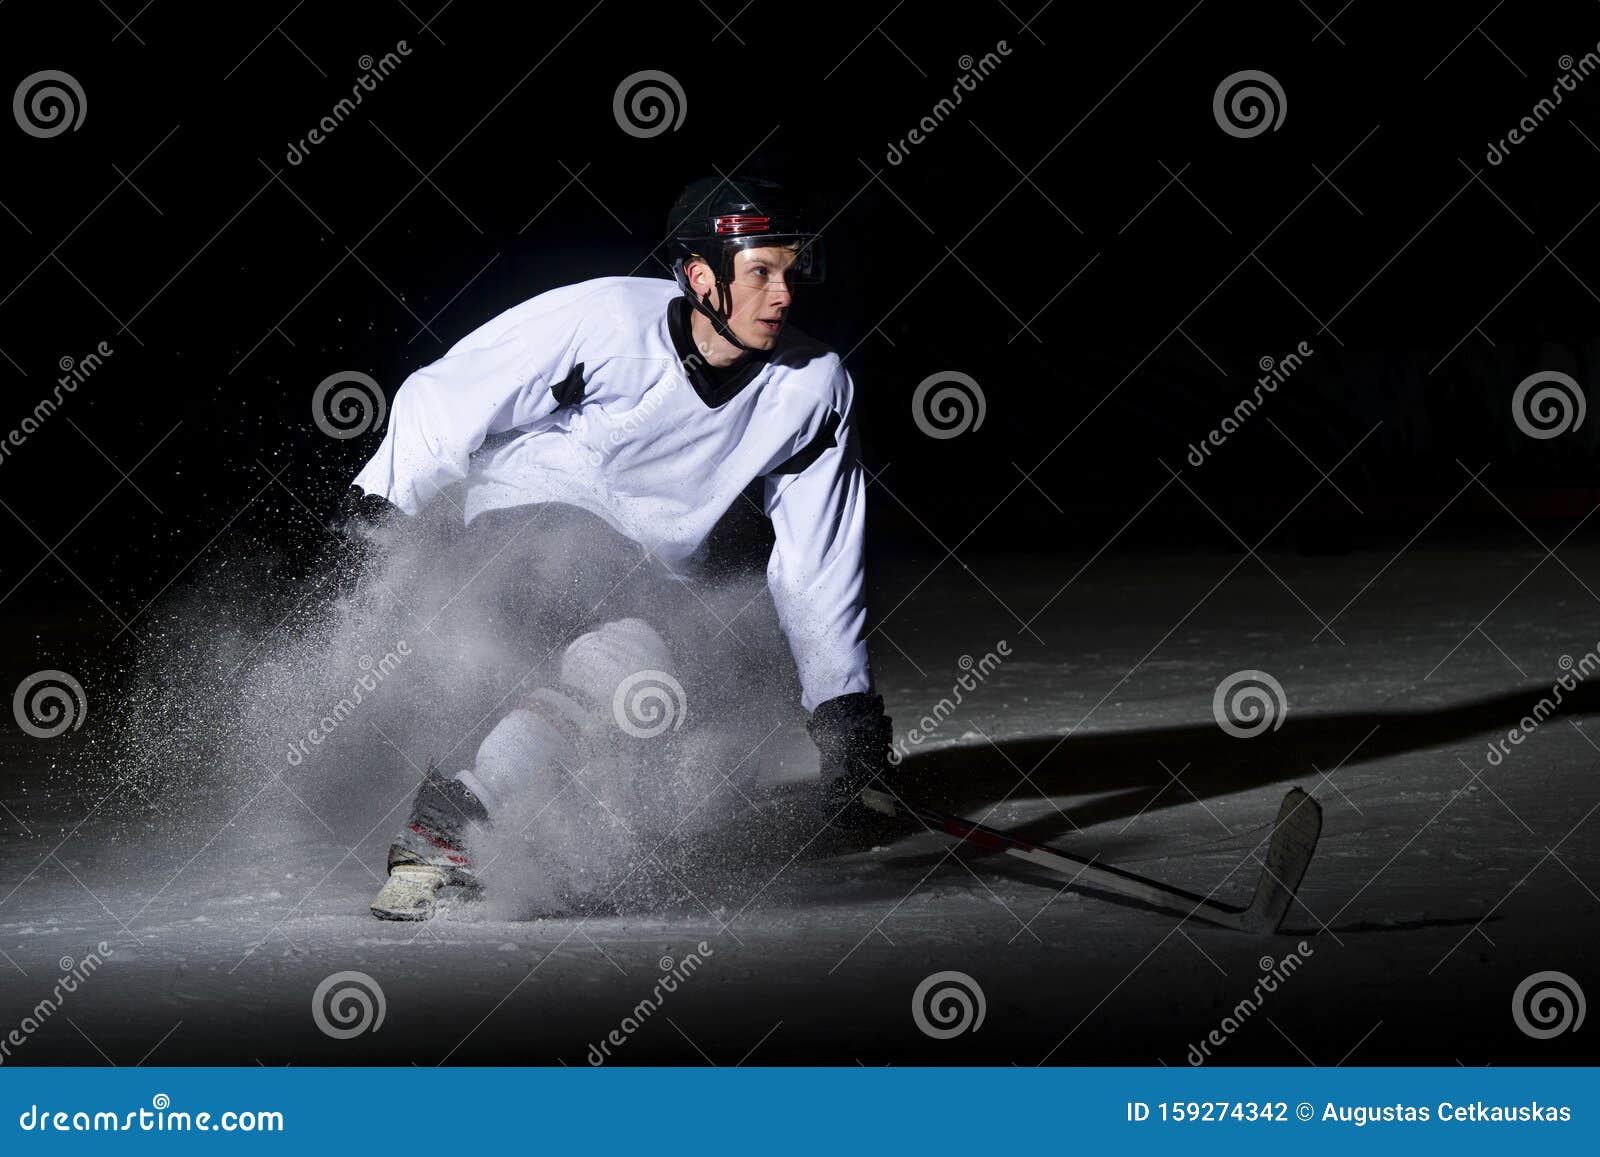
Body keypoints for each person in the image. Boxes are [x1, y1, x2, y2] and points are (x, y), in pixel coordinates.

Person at [339, 174, 893, 920]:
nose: (784, 293)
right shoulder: (608, 319)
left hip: (640, 574)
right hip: (524, 524)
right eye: (761, 271)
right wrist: (383, 513)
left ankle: (453, 820)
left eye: (793, 269)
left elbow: (816, 556)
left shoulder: (813, 387)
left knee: (637, 701)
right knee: (628, 658)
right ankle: (450, 824)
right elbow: (448, 394)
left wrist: (844, 711)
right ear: (702, 276)